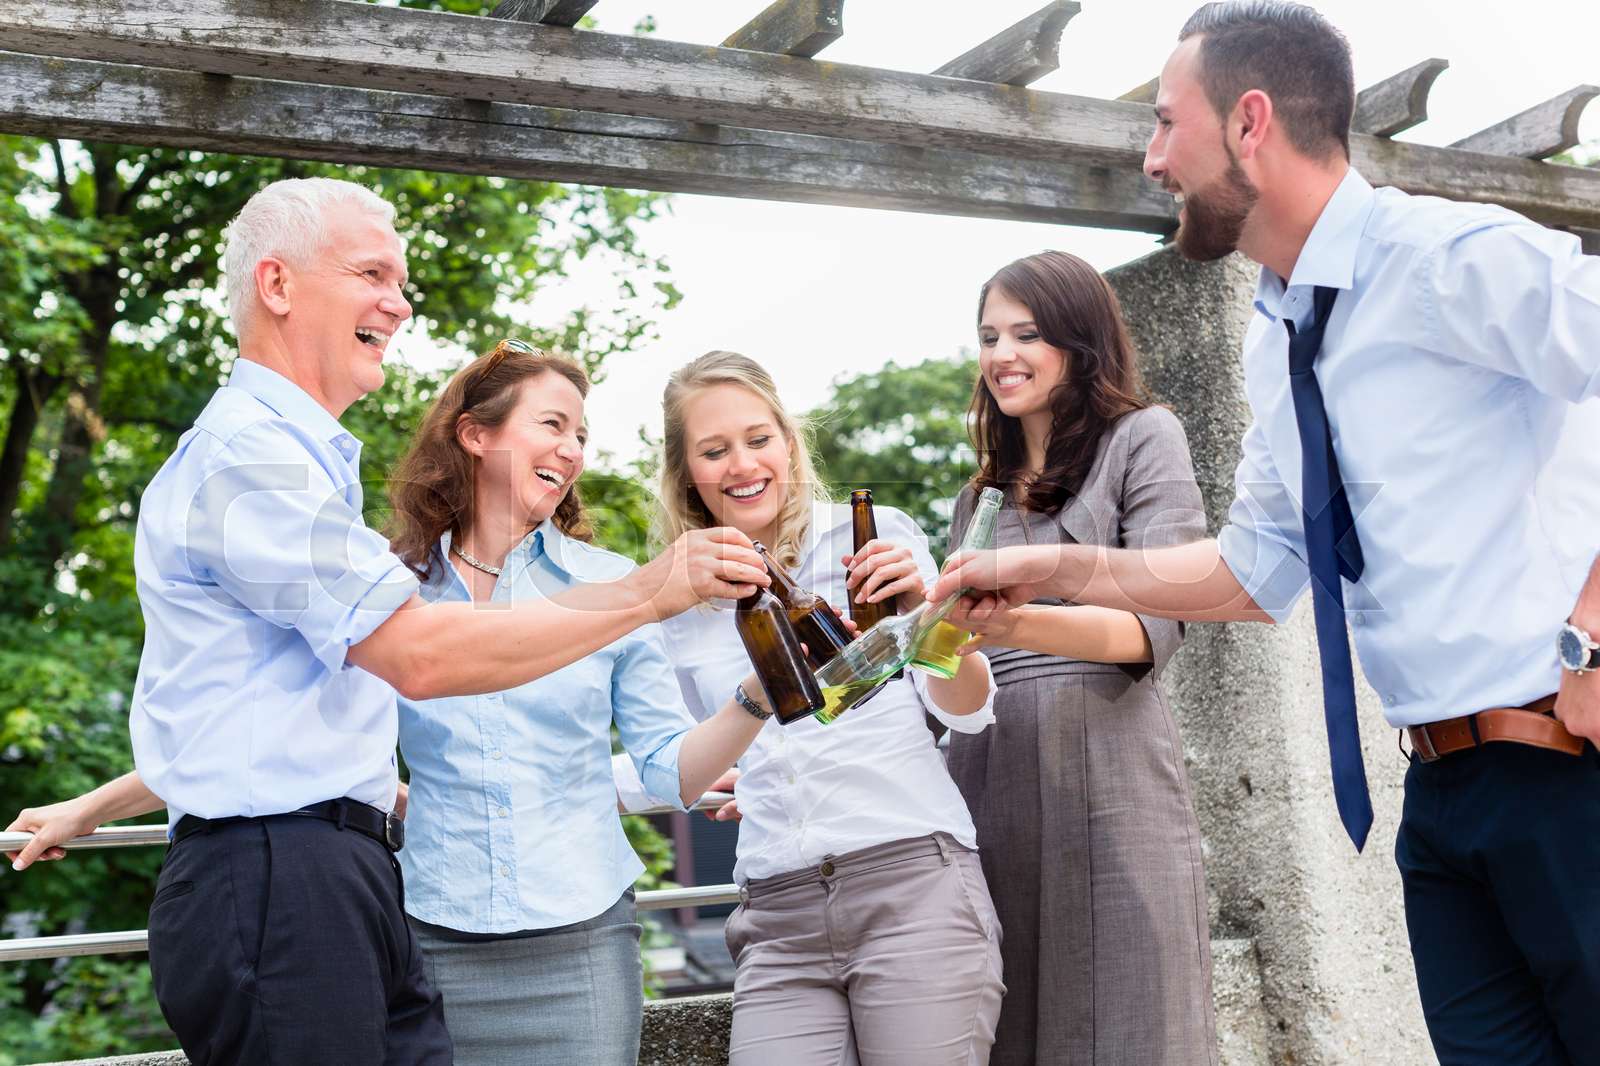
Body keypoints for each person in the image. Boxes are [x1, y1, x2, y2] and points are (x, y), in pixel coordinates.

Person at [929, 5, 1600, 1064]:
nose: (1151, 159)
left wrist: (1594, 630)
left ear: (1249, 123)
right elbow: (1255, 571)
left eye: (1162, 124)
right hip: (1436, 797)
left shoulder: (1444, 254)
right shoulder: (1278, 336)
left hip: (1569, 770)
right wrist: (1059, 569)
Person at [4, 178, 774, 1066]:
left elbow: (264, 719)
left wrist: (93, 805)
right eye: (372, 271)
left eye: (583, 433)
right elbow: (407, 665)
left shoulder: (310, 482)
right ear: (279, 285)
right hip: (330, 897)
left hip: (397, 897)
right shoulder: (267, 477)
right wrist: (651, 593)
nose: (400, 302)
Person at [385, 341, 773, 1066]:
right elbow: (337, 738)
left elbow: (670, 771)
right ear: (475, 434)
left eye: (581, 436)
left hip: (583, 942)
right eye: (553, 425)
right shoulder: (393, 589)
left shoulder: (617, 584)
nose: (571, 451)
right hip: (431, 936)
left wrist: (757, 697)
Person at [616, 351, 1006, 1066]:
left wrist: (929, 612)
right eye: (714, 449)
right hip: (777, 909)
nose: (742, 464)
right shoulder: (679, 601)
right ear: (686, 472)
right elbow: (668, 763)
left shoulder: (872, 538)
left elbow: (968, 707)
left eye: (759, 439)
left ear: (789, 443)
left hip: (911, 884)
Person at [939, 250, 1216, 1065]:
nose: (1001, 355)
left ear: (1081, 341)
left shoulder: (1143, 437)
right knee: (1005, 1031)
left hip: (1109, 772)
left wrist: (1013, 621)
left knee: (1130, 1022)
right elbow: (952, 664)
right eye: (988, 336)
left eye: (1027, 333)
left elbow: (1152, 628)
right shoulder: (975, 497)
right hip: (985, 776)